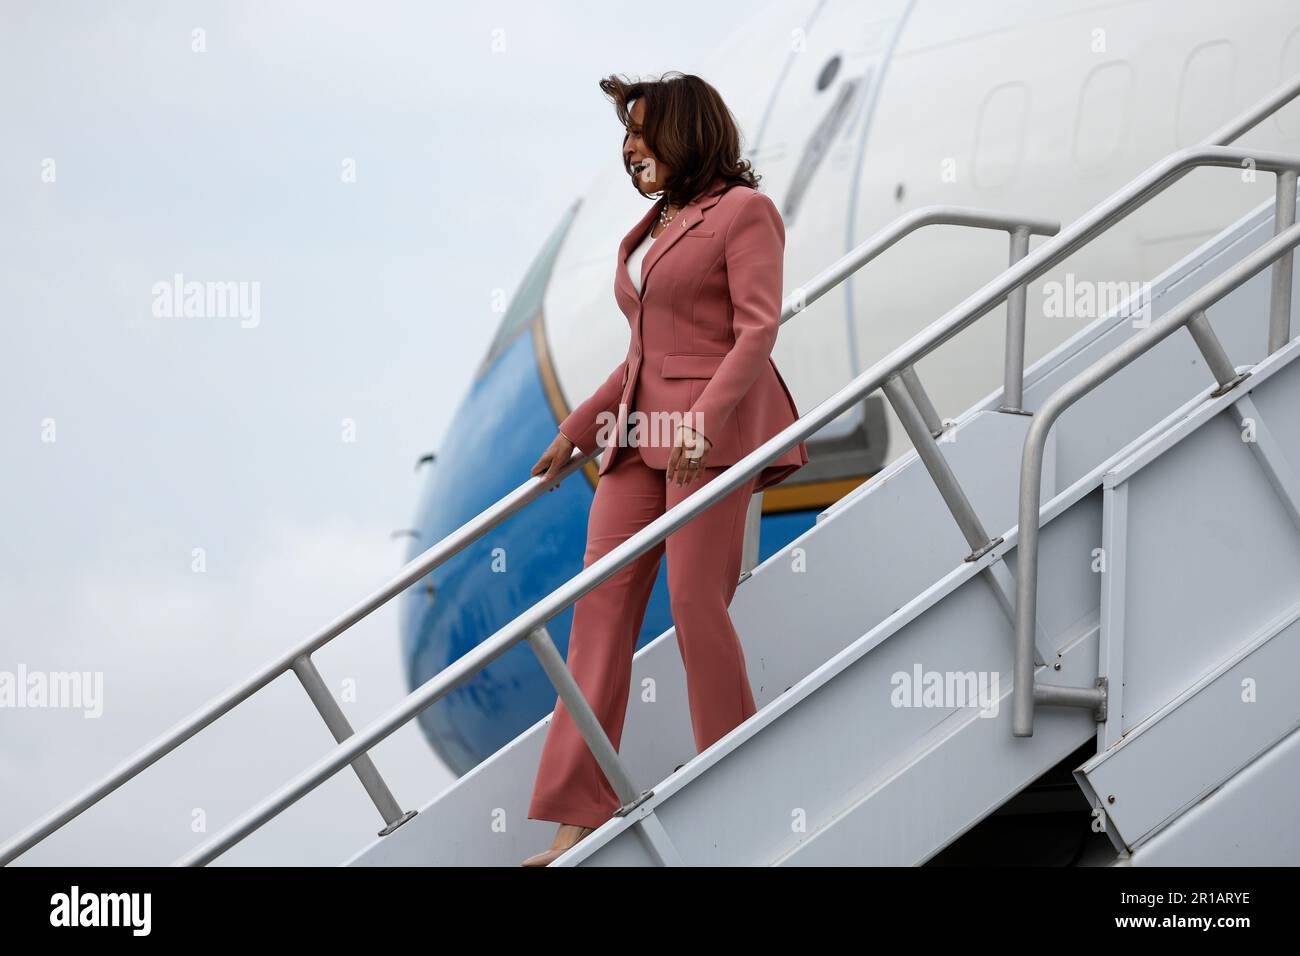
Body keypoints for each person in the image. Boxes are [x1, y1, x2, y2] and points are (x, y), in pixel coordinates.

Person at [521, 71, 808, 866]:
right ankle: (577, 813)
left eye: (644, 133)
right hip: (636, 438)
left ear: (689, 133)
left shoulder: (744, 214)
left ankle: (732, 771)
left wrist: (706, 421)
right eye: (626, 136)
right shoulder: (652, 228)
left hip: (705, 434)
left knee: (694, 603)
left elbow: (756, 331)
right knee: (599, 614)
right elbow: (643, 355)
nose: (630, 149)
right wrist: (577, 431)